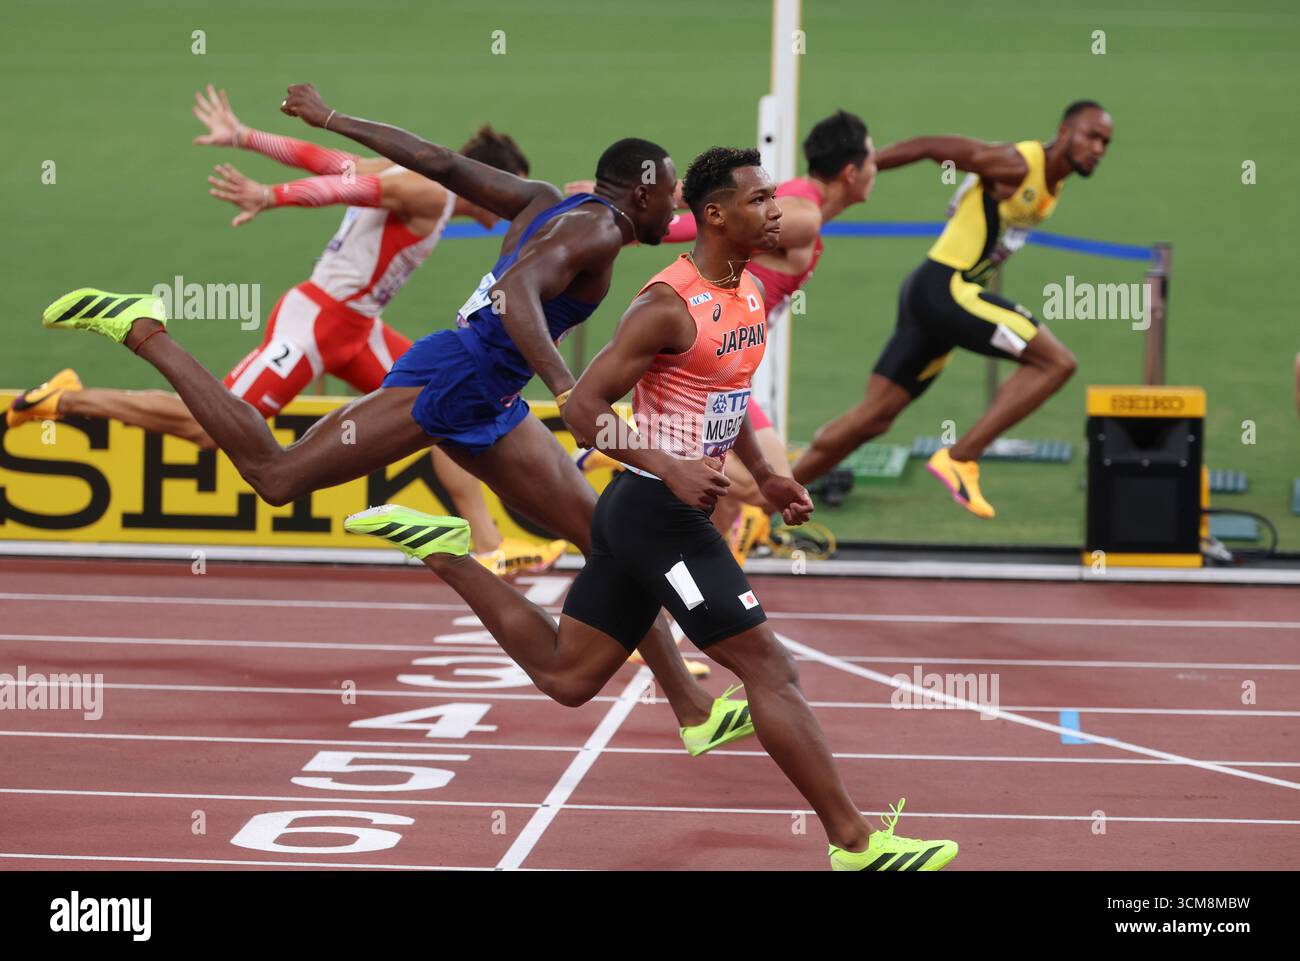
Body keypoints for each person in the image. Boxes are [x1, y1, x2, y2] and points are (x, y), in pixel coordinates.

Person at [38, 81, 743, 750]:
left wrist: (332, 117)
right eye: (674, 194)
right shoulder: (593, 234)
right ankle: (143, 329)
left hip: (489, 394)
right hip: (460, 379)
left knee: (609, 538)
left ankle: (691, 711)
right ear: (643, 190)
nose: (678, 208)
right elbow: (516, 296)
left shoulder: (542, 199)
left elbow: (435, 160)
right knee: (277, 476)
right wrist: (563, 386)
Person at [346, 147, 958, 869]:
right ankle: (856, 842)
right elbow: (582, 409)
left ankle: (445, 550)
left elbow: (726, 406)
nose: (777, 211)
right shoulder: (666, 305)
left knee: (567, 677)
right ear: (715, 215)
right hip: (656, 514)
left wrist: (768, 474)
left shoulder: (752, 292)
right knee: (769, 668)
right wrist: (666, 463)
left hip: (655, 513)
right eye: (760, 200)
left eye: (775, 197)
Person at [6, 85, 557, 573]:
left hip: (358, 328)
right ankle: (70, 401)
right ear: (487, 182)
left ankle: (488, 545)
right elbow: (344, 190)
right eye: (508, 192)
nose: (510, 207)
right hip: (317, 323)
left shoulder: (411, 181)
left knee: (444, 406)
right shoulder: (429, 193)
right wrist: (271, 196)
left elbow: (324, 160)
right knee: (210, 428)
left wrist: (245, 135)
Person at [571, 110, 877, 562]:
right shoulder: (803, 215)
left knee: (741, 487)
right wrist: (633, 220)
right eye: (874, 160)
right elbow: (709, 223)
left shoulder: (789, 208)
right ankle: (631, 459)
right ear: (850, 171)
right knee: (751, 485)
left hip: (730, 363)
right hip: (705, 357)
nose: (770, 211)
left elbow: (713, 208)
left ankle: (702, 583)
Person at [793, 101, 1113, 518]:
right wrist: (855, 173)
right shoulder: (1016, 164)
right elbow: (930, 146)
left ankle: (765, 501)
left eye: (1105, 141)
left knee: (872, 420)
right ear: (1065, 131)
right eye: (1091, 136)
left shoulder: (1053, 184)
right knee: (1056, 363)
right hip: (947, 287)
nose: (1098, 148)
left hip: (934, 297)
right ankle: (962, 457)